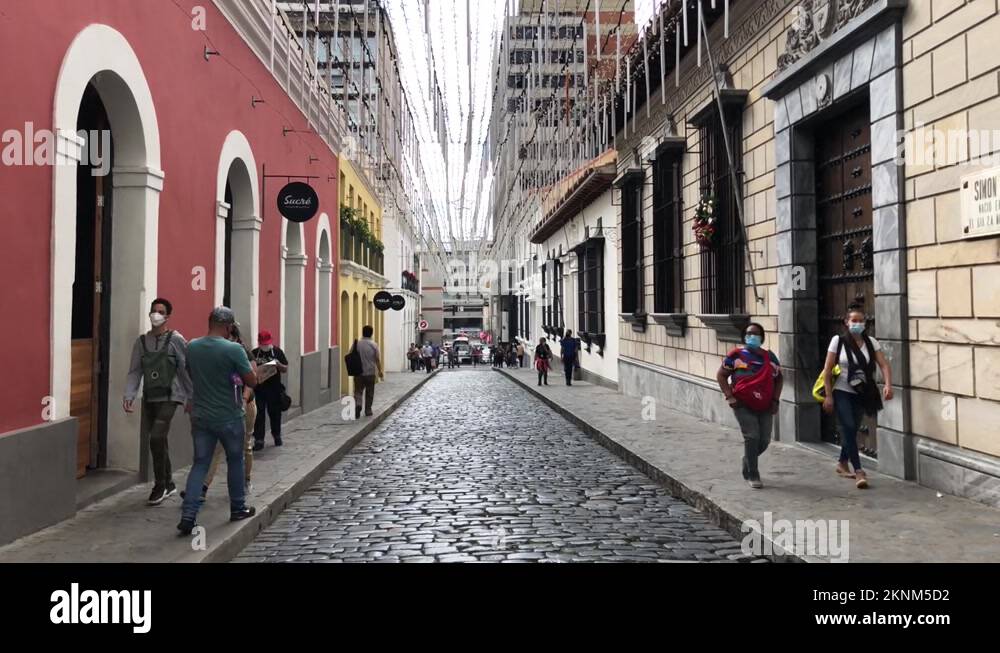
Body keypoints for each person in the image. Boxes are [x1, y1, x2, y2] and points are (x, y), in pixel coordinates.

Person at [178, 307, 257, 535]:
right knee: (235, 460)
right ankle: (238, 507)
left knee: (200, 464)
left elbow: (190, 374)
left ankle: (188, 515)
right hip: (229, 415)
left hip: (201, 416)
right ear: (228, 326)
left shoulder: (192, 346)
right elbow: (251, 380)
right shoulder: (234, 349)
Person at [123, 298, 194, 505]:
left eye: (161, 311)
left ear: (167, 316)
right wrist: (129, 395)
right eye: (154, 310)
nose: (156, 314)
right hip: (150, 396)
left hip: (171, 396)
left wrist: (191, 396)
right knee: (159, 440)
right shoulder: (141, 342)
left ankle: (159, 485)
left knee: (155, 437)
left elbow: (185, 368)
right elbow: (135, 370)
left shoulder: (176, 340)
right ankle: (169, 483)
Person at [821, 304, 893, 490]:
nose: (858, 324)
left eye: (861, 321)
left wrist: (888, 384)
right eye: (854, 320)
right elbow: (827, 370)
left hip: (863, 392)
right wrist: (828, 396)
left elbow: (884, 364)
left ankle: (842, 462)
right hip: (842, 390)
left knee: (851, 431)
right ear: (846, 322)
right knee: (849, 426)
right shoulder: (838, 341)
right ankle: (859, 470)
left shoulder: (871, 342)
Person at [716, 323, 783, 489]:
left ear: (762, 337)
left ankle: (748, 458)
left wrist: (775, 400)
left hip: (765, 404)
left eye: (756, 334)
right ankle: (753, 474)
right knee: (752, 436)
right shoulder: (736, 355)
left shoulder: (770, 357)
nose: (752, 336)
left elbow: (779, 378)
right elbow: (721, 375)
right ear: (744, 337)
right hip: (742, 403)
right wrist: (730, 397)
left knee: (764, 440)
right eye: (749, 333)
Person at [196, 324, 257, 503]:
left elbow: (252, 379)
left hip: (245, 404)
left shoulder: (244, 353)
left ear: (234, 337)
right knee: (215, 447)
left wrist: (244, 399)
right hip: (222, 405)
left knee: (245, 445)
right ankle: (202, 487)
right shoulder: (215, 353)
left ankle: (245, 480)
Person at [251, 330, 288, 450]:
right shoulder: (254, 353)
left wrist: (278, 365)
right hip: (259, 389)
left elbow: (285, 368)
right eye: (263, 344)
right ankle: (259, 439)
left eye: (267, 343)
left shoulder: (277, 351)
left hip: (274, 388)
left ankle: (276, 435)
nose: (265, 346)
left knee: (275, 413)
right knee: (258, 414)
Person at [353, 325, 384, 419]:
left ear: (362, 332)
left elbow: (350, 354)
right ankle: (368, 410)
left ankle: (358, 404)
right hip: (370, 372)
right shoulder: (374, 345)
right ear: (371, 333)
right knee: (370, 392)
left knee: (358, 391)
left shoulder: (356, 344)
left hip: (358, 372)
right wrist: (380, 371)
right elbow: (377, 359)